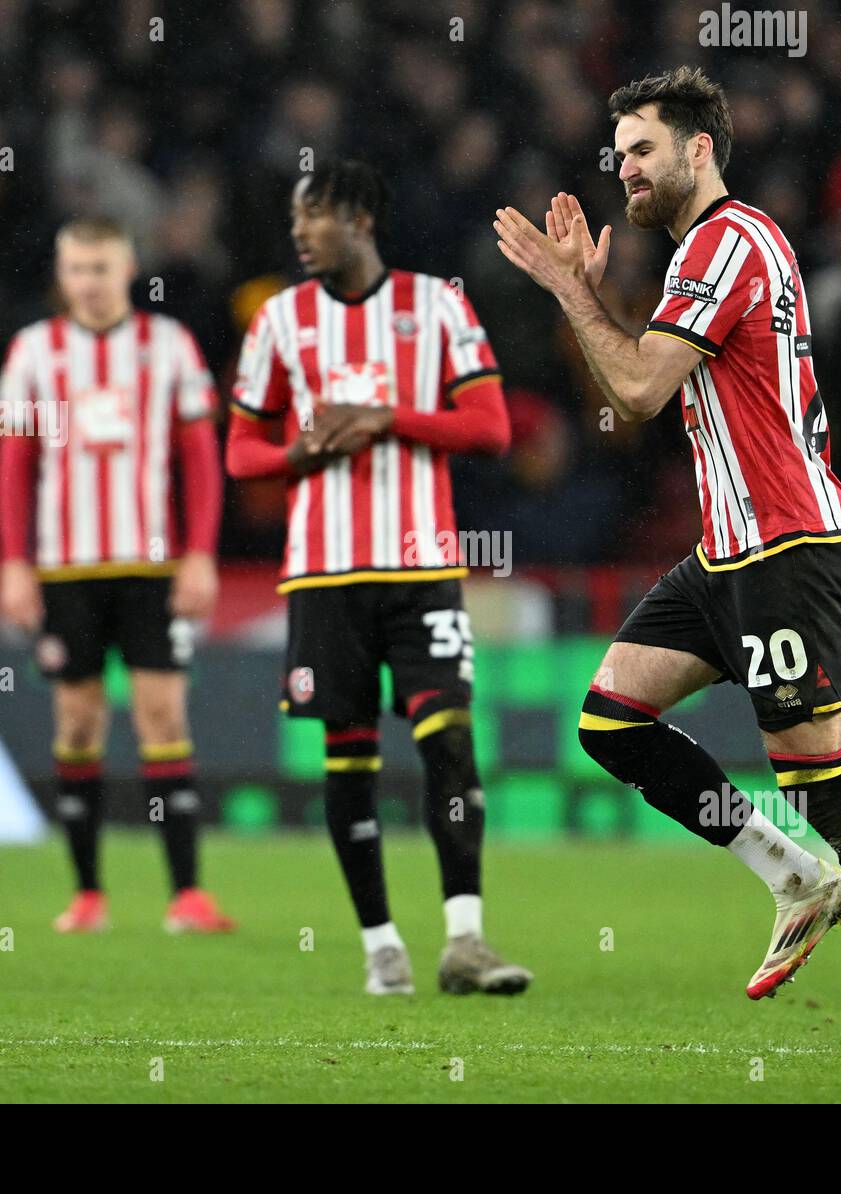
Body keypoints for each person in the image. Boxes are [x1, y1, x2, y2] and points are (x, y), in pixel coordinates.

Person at [493, 67, 841, 1054]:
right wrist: (585, 291)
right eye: (617, 157)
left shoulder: (728, 240)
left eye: (641, 150)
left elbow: (639, 387)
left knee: (817, 777)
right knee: (611, 718)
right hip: (727, 552)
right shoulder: (714, 249)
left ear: (698, 150)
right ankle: (793, 874)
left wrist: (570, 287)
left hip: (785, 545)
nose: (625, 172)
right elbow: (641, 386)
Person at [226, 160, 531, 997]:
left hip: (422, 569)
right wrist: (298, 452)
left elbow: (492, 428)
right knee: (347, 758)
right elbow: (240, 449)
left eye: (315, 213)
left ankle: (464, 941)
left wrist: (387, 417)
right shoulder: (279, 321)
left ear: (360, 218)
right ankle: (380, 944)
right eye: (295, 215)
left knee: (451, 747)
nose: (299, 230)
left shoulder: (436, 305)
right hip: (322, 578)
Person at [0, 216, 234, 935]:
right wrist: (14, 564)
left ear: (128, 268)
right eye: (77, 270)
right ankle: (88, 894)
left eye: (101, 268)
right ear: (61, 276)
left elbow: (199, 458)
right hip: (66, 568)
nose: (90, 282)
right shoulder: (35, 350)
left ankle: (186, 895)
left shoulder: (169, 346)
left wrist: (199, 552)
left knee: (162, 712)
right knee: (77, 721)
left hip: (152, 564)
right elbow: (14, 467)